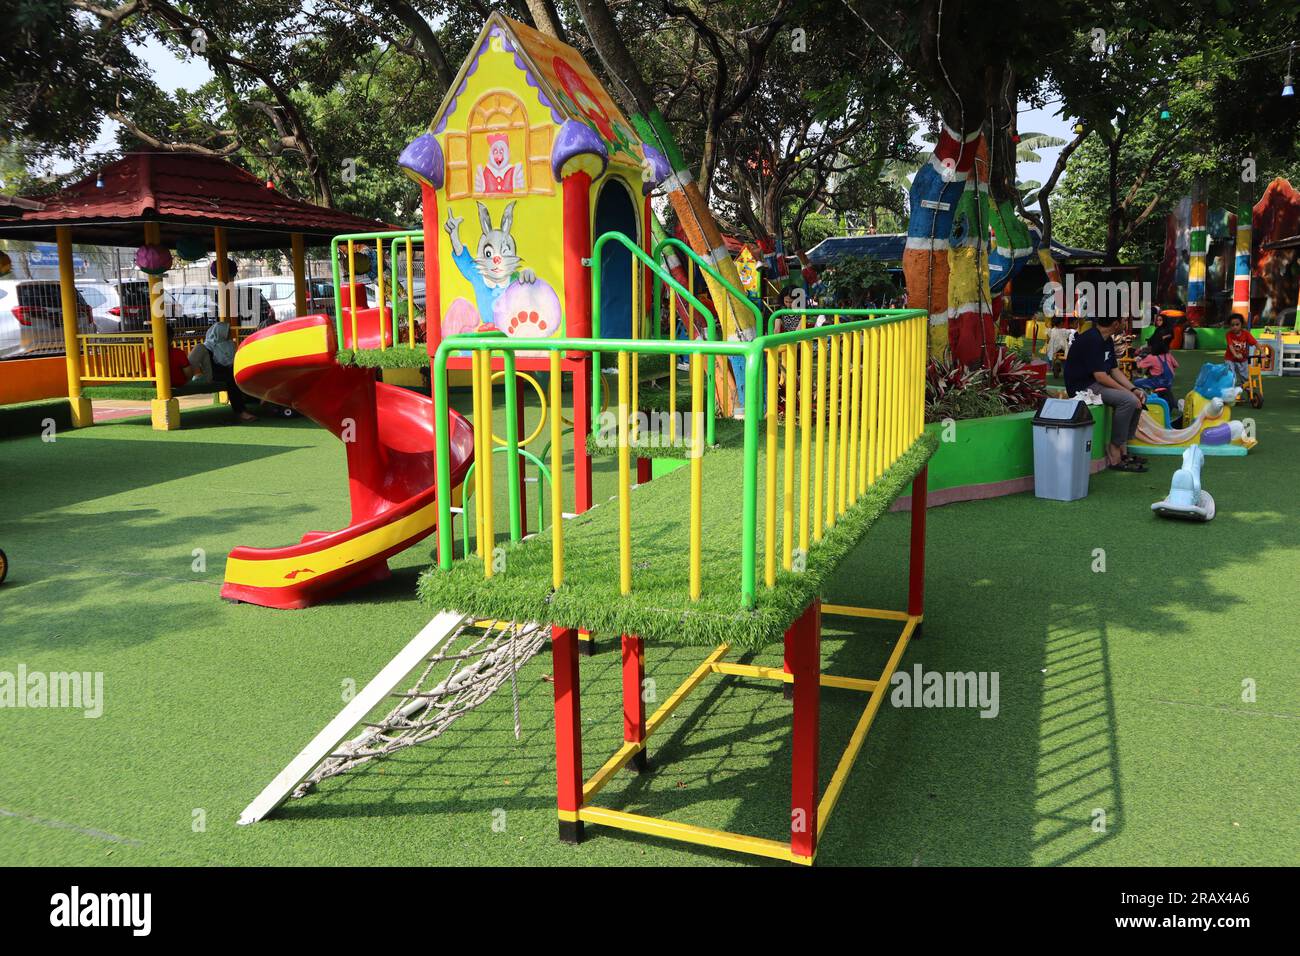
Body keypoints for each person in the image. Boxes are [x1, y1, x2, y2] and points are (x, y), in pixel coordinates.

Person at [1063, 313, 1148, 472]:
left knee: (1139, 396)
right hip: (1083, 388)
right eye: (1123, 320)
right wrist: (1129, 394)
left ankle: (1123, 449)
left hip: (1095, 383)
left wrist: (1134, 389)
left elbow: (1114, 370)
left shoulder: (1106, 339)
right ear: (1116, 324)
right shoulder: (1092, 340)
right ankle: (1114, 451)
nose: (1125, 323)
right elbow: (1101, 376)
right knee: (1128, 401)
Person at [194, 322, 255, 423]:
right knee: (232, 379)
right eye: (227, 332)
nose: (229, 334)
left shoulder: (229, 344)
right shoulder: (208, 347)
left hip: (227, 371)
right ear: (220, 332)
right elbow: (197, 364)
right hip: (214, 374)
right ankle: (240, 412)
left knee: (244, 374)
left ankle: (257, 401)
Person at [1224, 313, 1258, 386]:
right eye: (1232, 325)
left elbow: (1255, 342)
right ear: (1229, 326)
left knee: (1245, 377)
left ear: (1241, 324)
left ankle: (1248, 389)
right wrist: (1235, 354)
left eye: (1237, 324)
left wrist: (1262, 351)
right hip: (1230, 358)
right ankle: (1230, 390)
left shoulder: (1246, 334)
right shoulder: (1229, 334)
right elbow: (1230, 346)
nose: (1235, 327)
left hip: (1243, 358)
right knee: (1231, 376)